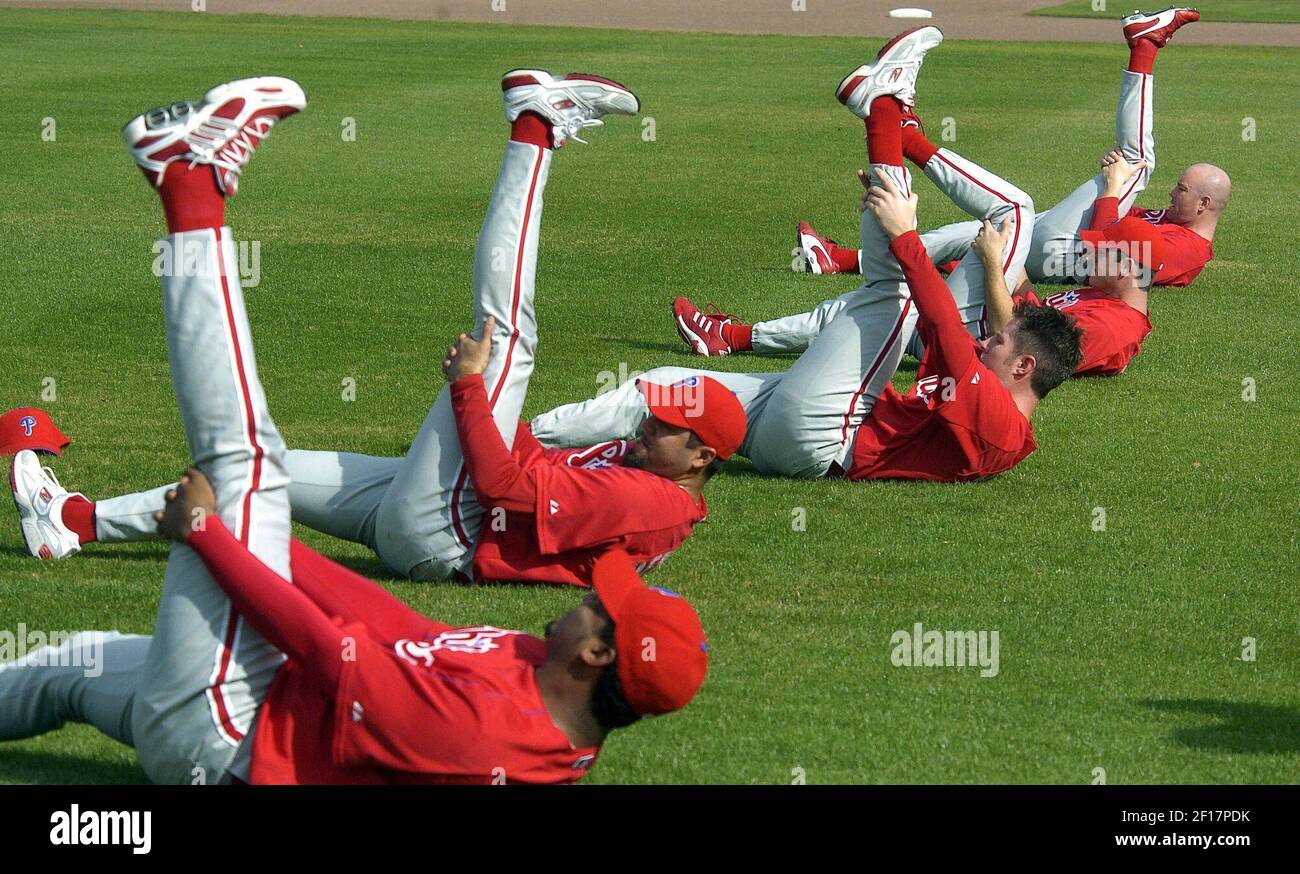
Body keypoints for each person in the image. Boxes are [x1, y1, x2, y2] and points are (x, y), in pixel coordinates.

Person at [0, 74, 710, 785]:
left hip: (224, 739)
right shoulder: (537, 670)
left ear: (595, 658)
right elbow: (403, 627)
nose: (588, 596)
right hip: (288, 674)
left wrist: (216, 536)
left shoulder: (480, 735)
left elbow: (324, 645)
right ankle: (75, 521)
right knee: (71, 664)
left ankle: (189, 183)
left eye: (600, 607)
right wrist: (259, 536)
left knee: (244, 461)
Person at [11, 70, 747, 577]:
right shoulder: (649, 468)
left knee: (507, 337)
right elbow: (525, 468)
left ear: (701, 459)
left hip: (444, 534)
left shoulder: (653, 502)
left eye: (668, 428)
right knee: (265, 471)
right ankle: (72, 521)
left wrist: (468, 391)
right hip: (430, 513)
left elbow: (499, 487)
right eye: (656, 414)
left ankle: (536, 124)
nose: (650, 426)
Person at [534, 27, 1083, 484]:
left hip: (823, 439)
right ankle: (521, 443)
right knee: (654, 389)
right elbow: (946, 327)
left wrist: (905, 234)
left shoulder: (1002, 426)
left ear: (1024, 367)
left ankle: (885, 114)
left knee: (890, 295)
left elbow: (937, 317)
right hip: (796, 412)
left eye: (1000, 341)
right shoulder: (998, 406)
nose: (987, 337)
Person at [678, 6, 1224, 366]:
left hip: (978, 340)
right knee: (878, 302)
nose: (1096, 256)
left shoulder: (1117, 327)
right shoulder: (1104, 297)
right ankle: (731, 337)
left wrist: (989, 267)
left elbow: (1019, 348)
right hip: (974, 325)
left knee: (1014, 207)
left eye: (1113, 256)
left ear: (1135, 274)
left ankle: (894, 125)